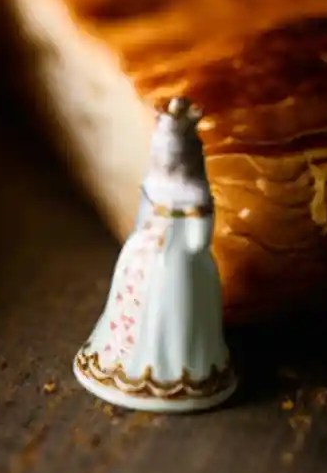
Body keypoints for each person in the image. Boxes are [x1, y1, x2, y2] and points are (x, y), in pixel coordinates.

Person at [73, 97, 237, 412]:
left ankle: (175, 372)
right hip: (145, 252)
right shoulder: (155, 181)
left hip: (178, 261)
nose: (163, 159)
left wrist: (173, 247)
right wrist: (144, 239)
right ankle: (123, 360)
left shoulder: (193, 192)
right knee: (135, 305)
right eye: (160, 152)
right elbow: (143, 217)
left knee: (172, 306)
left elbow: (198, 238)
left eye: (169, 153)